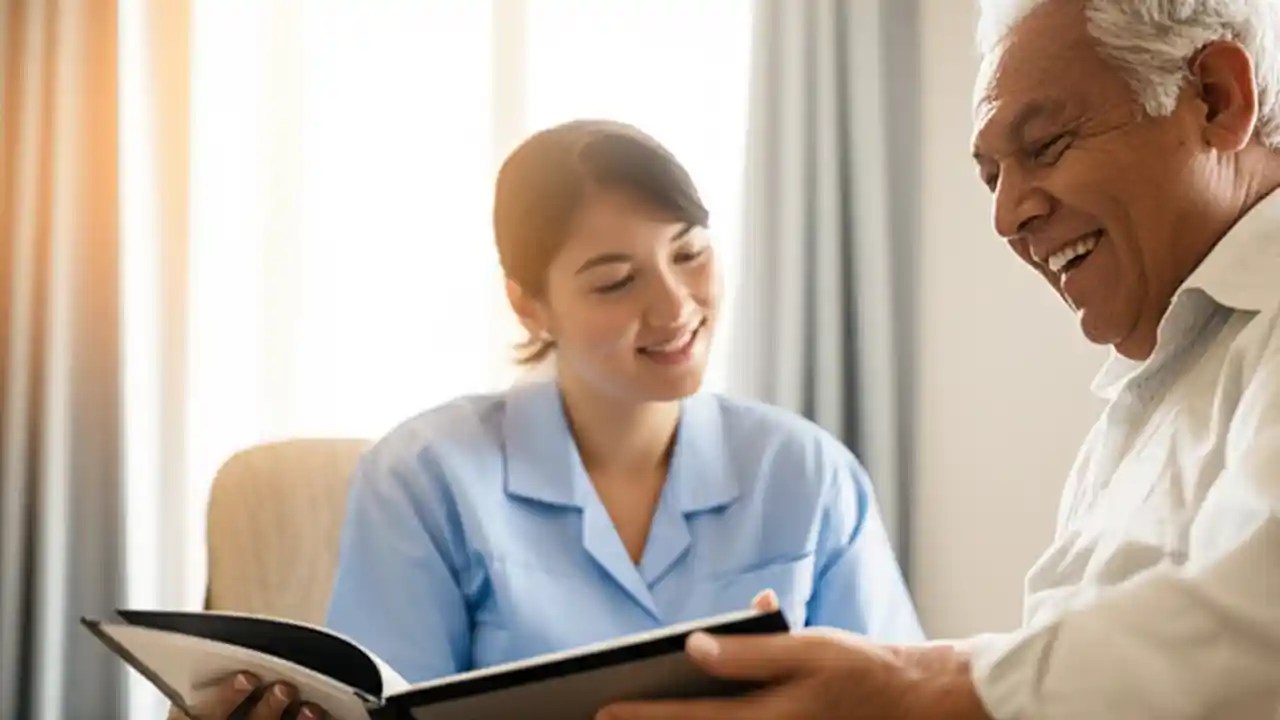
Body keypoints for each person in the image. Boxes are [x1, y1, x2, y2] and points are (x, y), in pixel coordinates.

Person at [595, 0, 1280, 718]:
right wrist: (878, 681)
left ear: (1216, 99)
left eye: (1045, 145)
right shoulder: (1158, 396)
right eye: (991, 178)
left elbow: (1258, 620)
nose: (1006, 216)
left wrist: (918, 687)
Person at [188, 119, 922, 719]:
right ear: (528, 303)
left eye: (689, 252)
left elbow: (899, 702)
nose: (675, 306)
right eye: (615, 280)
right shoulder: (425, 478)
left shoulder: (805, 473)